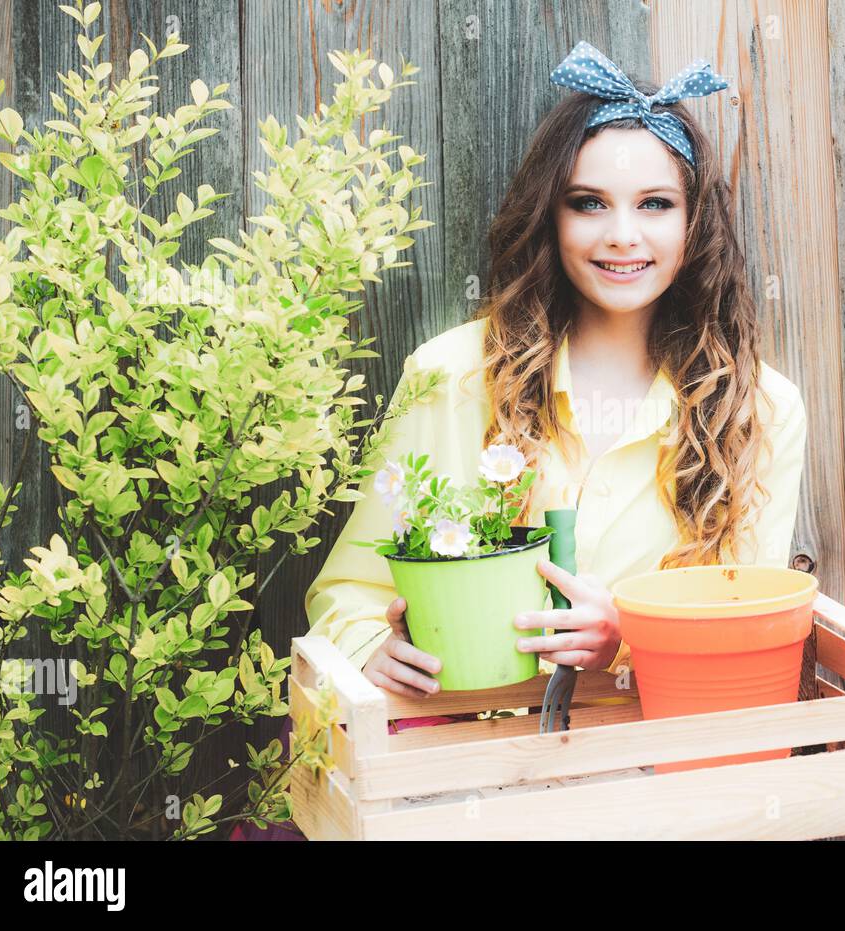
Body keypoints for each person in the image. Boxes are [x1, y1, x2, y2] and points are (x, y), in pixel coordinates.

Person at [231, 41, 807, 840]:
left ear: (696, 218)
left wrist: (627, 640)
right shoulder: (453, 374)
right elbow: (347, 590)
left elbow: (745, 642)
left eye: (655, 204)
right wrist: (370, 648)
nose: (622, 235)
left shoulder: (760, 411)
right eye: (588, 202)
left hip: (647, 787)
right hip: (453, 774)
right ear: (551, 212)